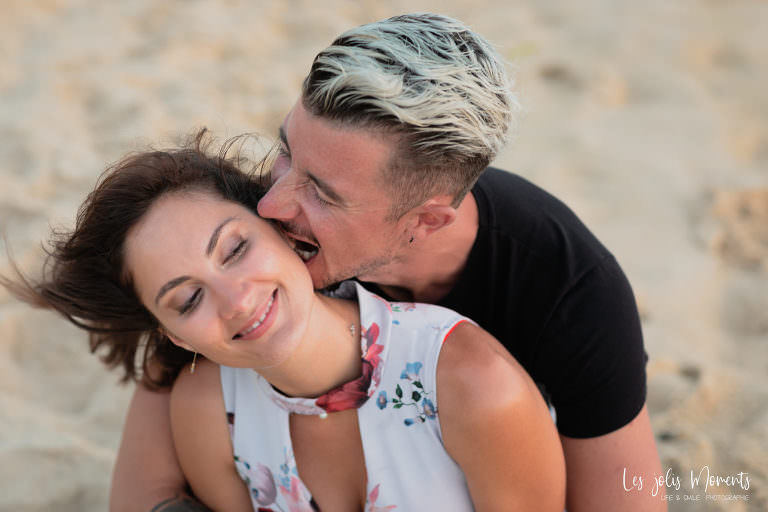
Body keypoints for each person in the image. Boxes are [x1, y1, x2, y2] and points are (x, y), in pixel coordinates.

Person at [111, 13, 664, 512]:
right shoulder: (253, 239)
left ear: (423, 223)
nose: (272, 203)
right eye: (286, 152)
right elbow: (147, 491)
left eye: (323, 195)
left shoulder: (571, 293)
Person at [1, 136, 566, 511]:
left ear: (284, 230)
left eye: (235, 249)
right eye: (188, 298)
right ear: (173, 335)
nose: (235, 300)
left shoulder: (470, 383)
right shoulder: (206, 409)